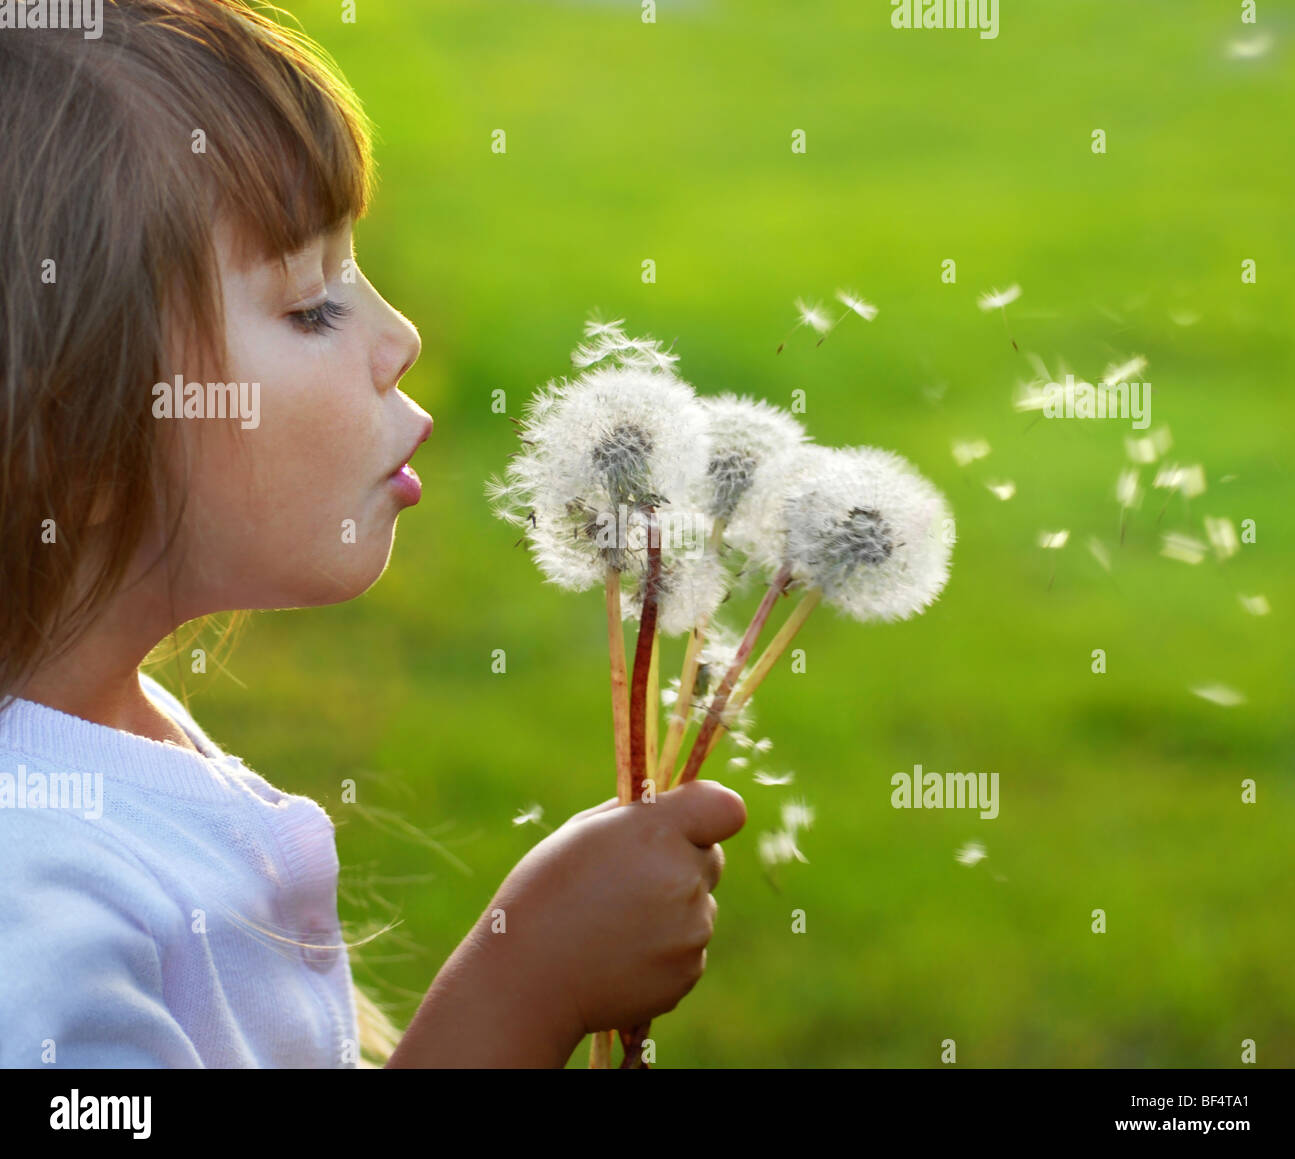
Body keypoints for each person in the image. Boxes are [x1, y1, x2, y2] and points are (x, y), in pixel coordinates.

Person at [0, 0, 745, 1069]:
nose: (400, 337)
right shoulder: (31, 921)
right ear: (70, 434)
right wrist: (522, 985)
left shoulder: (107, 732)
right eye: (309, 306)